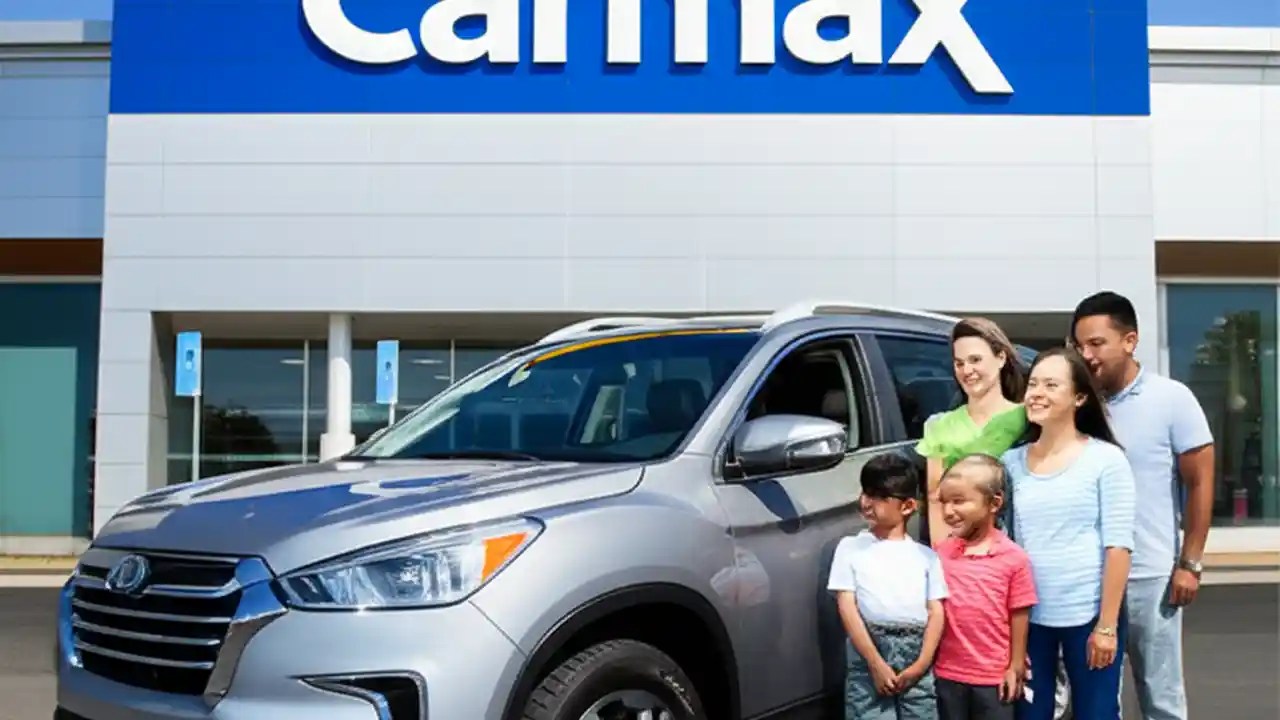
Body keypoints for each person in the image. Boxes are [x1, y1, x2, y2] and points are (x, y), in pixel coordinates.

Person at [1070, 291, 1215, 720]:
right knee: (1095, 699)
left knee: (1160, 695)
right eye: (1079, 346)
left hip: (1150, 575)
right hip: (1086, 577)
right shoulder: (1077, 405)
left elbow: (1200, 480)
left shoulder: (1172, 398)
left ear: (1130, 340)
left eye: (1096, 343)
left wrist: (1190, 562)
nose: (1086, 355)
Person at [1000, 347, 1136, 720]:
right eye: (1032, 384)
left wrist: (1107, 625)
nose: (1036, 393)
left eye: (1051, 385)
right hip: (1031, 618)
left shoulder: (1106, 460)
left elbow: (1119, 546)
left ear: (1079, 397)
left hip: (1090, 615)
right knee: (1031, 715)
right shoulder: (1009, 463)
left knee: (1097, 714)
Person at [828, 454, 948, 720]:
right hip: (869, 648)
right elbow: (846, 606)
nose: (867, 502)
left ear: (907, 506)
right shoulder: (850, 547)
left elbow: (936, 611)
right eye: (866, 492)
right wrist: (875, 662)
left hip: (915, 648)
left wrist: (922, 664)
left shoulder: (926, 556)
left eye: (880, 496)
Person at [934, 453, 1038, 720]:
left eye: (959, 501)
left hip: (993, 678)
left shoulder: (1013, 558)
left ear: (994, 503)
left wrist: (1015, 666)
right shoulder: (940, 554)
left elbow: (1020, 614)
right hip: (947, 673)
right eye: (943, 502)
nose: (948, 512)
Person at [916, 317, 1028, 548]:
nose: (967, 370)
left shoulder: (1028, 418)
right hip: (964, 555)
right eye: (959, 363)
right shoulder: (939, 426)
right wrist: (944, 556)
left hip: (1022, 549)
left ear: (1000, 358)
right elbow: (936, 497)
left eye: (975, 360)